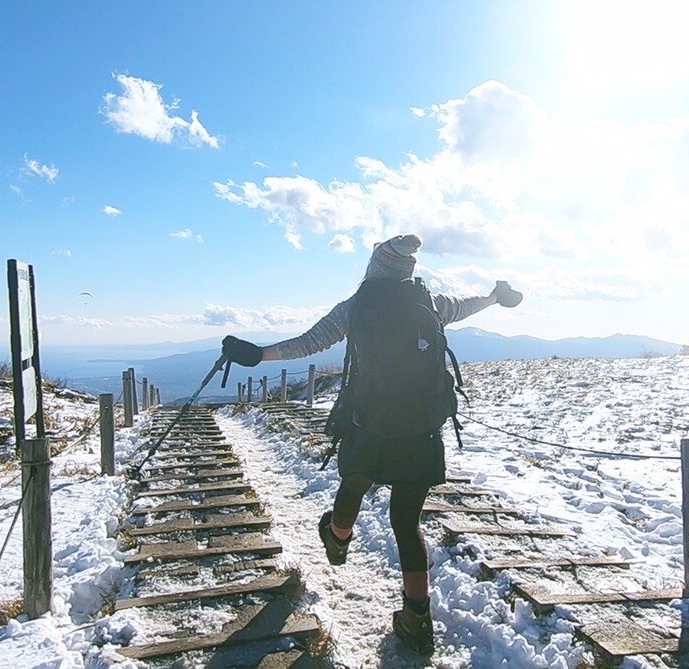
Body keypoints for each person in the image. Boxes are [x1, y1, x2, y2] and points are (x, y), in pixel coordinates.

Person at [221, 234, 522, 655]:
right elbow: (467, 305)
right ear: (407, 272)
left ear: (375, 267)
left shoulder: (356, 307)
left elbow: (309, 342)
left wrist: (256, 354)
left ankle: (338, 537)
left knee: (353, 484)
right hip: (421, 429)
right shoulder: (430, 303)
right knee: (406, 522)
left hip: (371, 424)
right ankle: (417, 618)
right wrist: (494, 297)